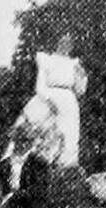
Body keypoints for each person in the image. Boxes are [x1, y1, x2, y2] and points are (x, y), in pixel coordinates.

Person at [33, 33, 88, 167]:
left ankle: (68, 165)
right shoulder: (47, 60)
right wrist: (47, 100)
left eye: (69, 43)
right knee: (50, 132)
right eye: (62, 42)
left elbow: (80, 90)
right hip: (51, 96)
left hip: (68, 99)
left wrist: (82, 76)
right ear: (57, 43)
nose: (65, 46)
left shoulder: (73, 63)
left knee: (70, 133)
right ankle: (46, 164)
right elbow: (40, 85)